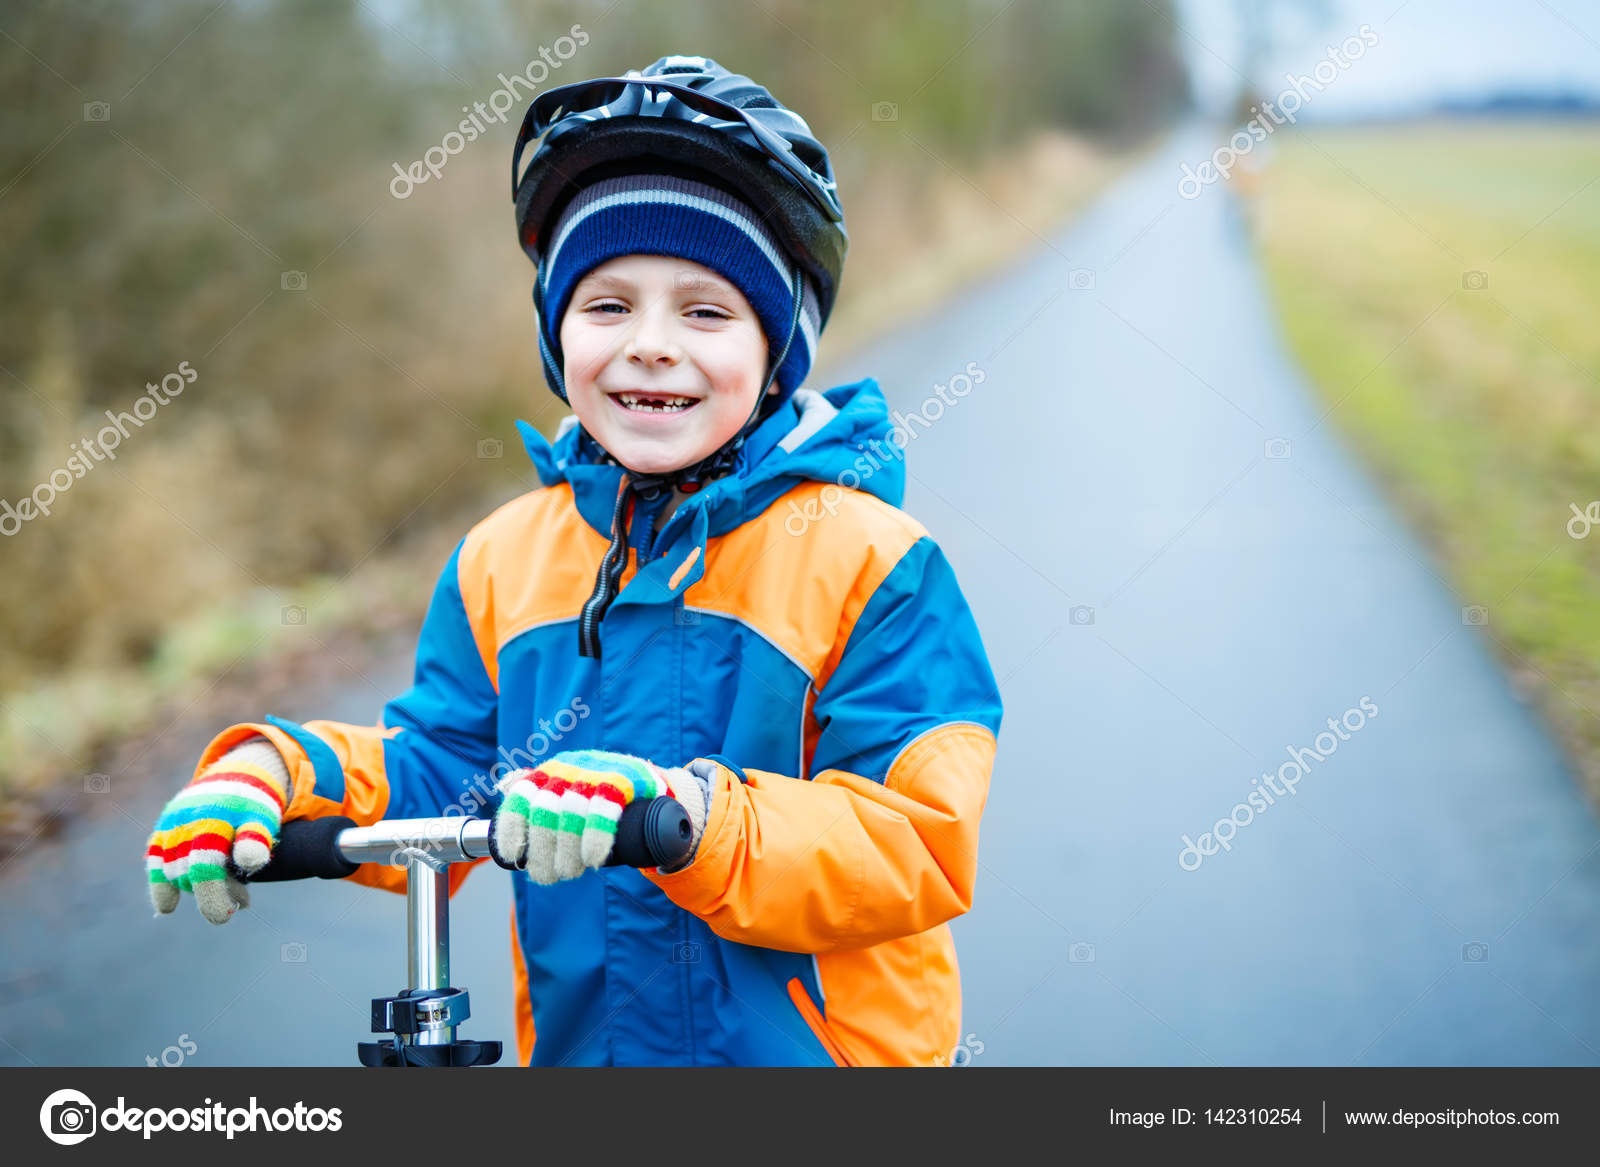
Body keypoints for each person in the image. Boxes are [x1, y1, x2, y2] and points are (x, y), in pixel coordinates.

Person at [144, 54, 1003, 1068]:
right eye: (606, 306)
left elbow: (912, 837)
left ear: (776, 353)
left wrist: (692, 818)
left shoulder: (874, 564)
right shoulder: (502, 560)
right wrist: (275, 775)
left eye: (705, 311)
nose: (649, 345)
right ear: (558, 336)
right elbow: (441, 769)